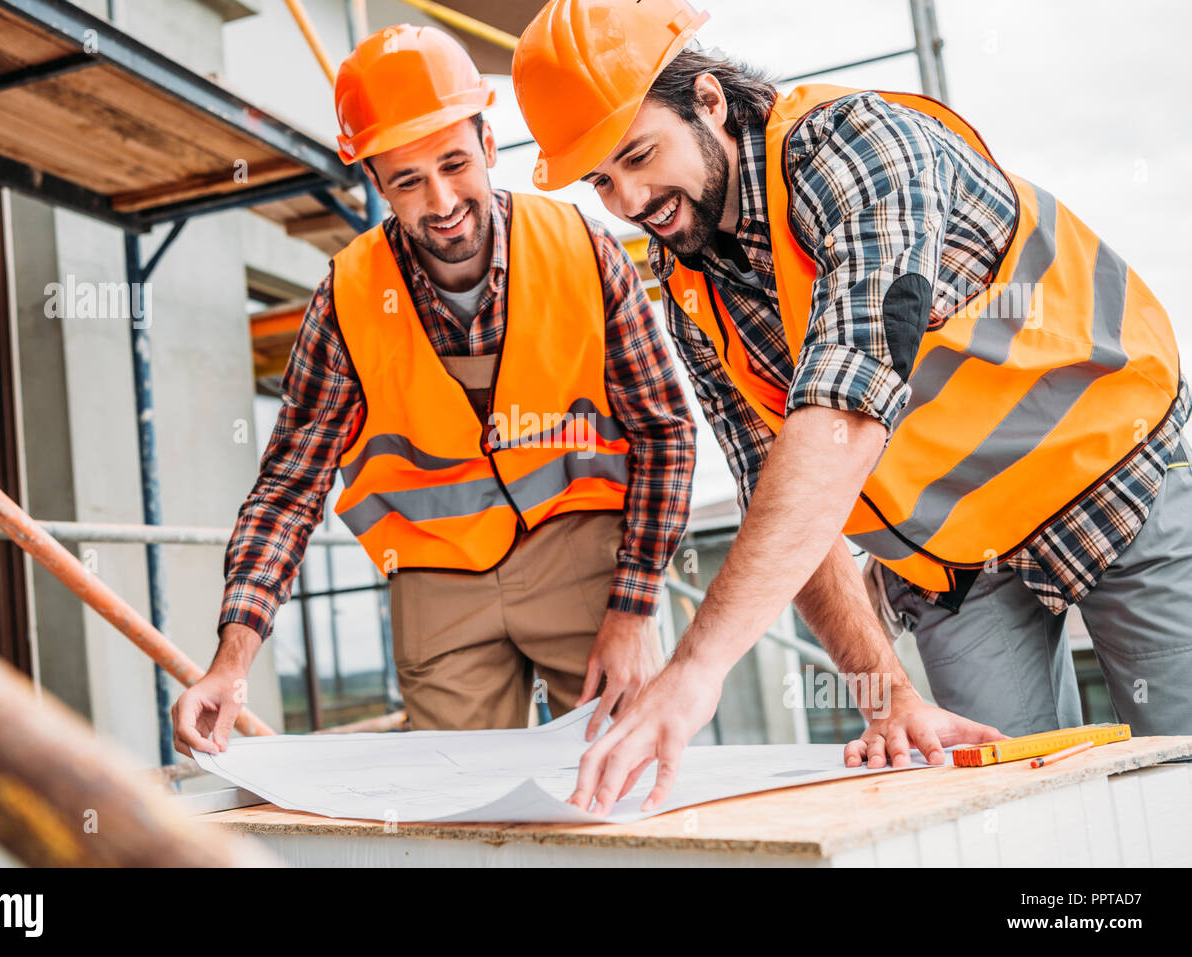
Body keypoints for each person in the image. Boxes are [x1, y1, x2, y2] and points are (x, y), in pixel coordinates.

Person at [512, 0, 1191, 816]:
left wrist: (694, 669)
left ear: (709, 102)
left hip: (1112, 475)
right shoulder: (690, 287)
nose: (628, 199)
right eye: (601, 181)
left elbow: (847, 408)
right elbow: (781, 498)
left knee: (1178, 776)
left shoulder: (859, 149)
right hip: (952, 566)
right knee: (1008, 810)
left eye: (638, 155)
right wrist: (887, 697)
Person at [173, 24, 696, 756]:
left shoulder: (583, 250)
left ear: (488, 143)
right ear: (376, 183)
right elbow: (289, 489)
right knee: (459, 798)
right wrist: (231, 662)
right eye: (408, 180)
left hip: (585, 562)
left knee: (622, 772)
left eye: (454, 162)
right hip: (436, 580)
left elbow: (664, 429)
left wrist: (635, 608)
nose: (442, 200)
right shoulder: (348, 298)